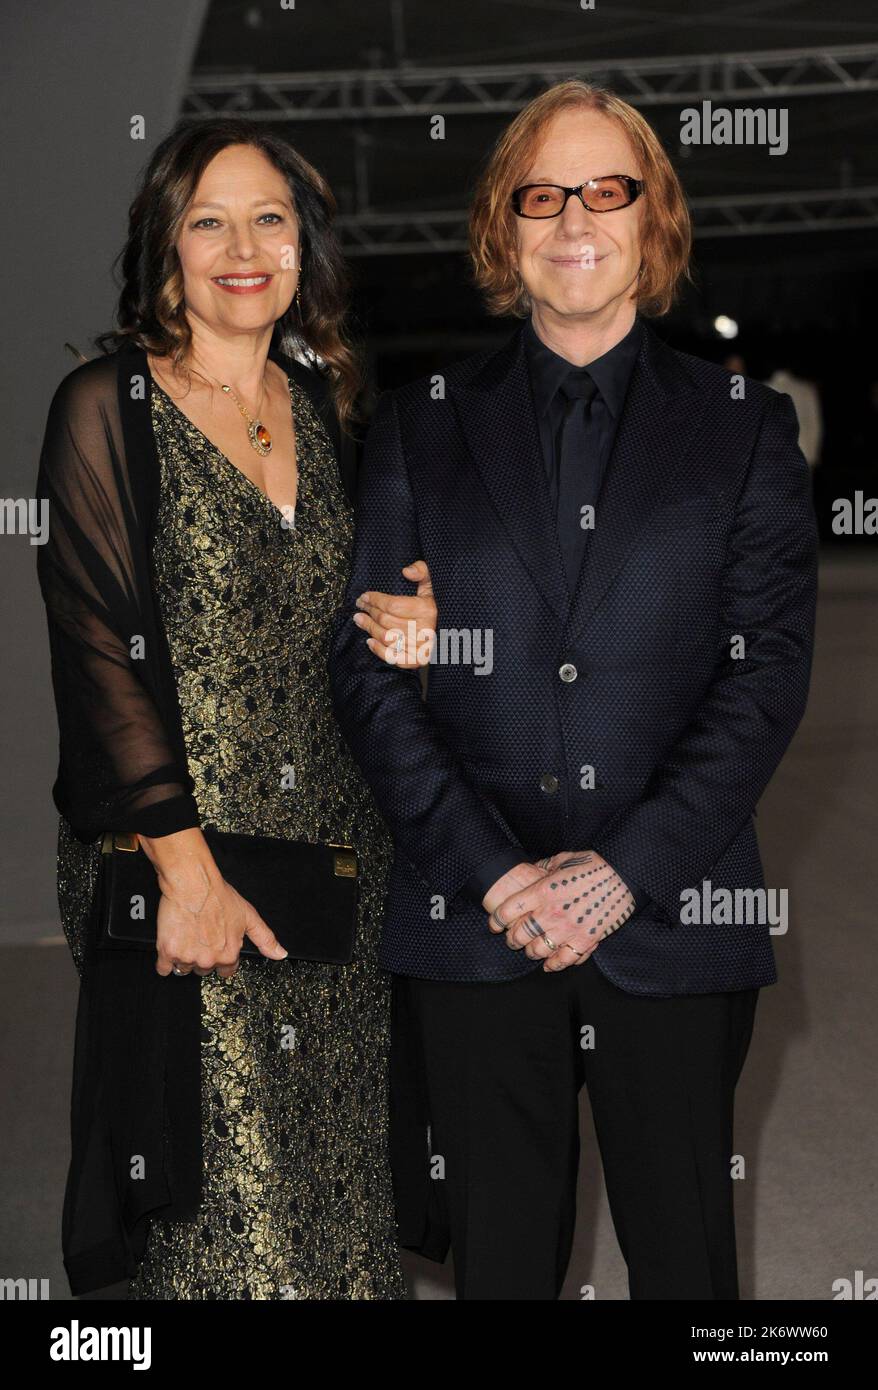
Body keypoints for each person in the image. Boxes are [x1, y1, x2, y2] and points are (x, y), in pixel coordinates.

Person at [328, 81, 818, 1300]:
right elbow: (369, 670)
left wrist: (617, 873)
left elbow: (763, 680)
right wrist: (494, 873)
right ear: (504, 229)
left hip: (671, 914)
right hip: (472, 921)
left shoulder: (744, 429)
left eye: (609, 189)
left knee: (689, 1266)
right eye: (540, 194)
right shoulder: (414, 429)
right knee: (498, 1267)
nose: (574, 218)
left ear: (654, 223)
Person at [36, 117, 437, 1299]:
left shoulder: (319, 403)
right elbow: (96, 644)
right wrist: (184, 868)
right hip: (186, 860)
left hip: (336, 860)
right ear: (166, 246)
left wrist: (411, 620)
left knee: (341, 1195)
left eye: (269, 217)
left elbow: (340, 615)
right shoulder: (107, 404)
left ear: (304, 249)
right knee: (226, 1209)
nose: (241, 246)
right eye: (207, 219)